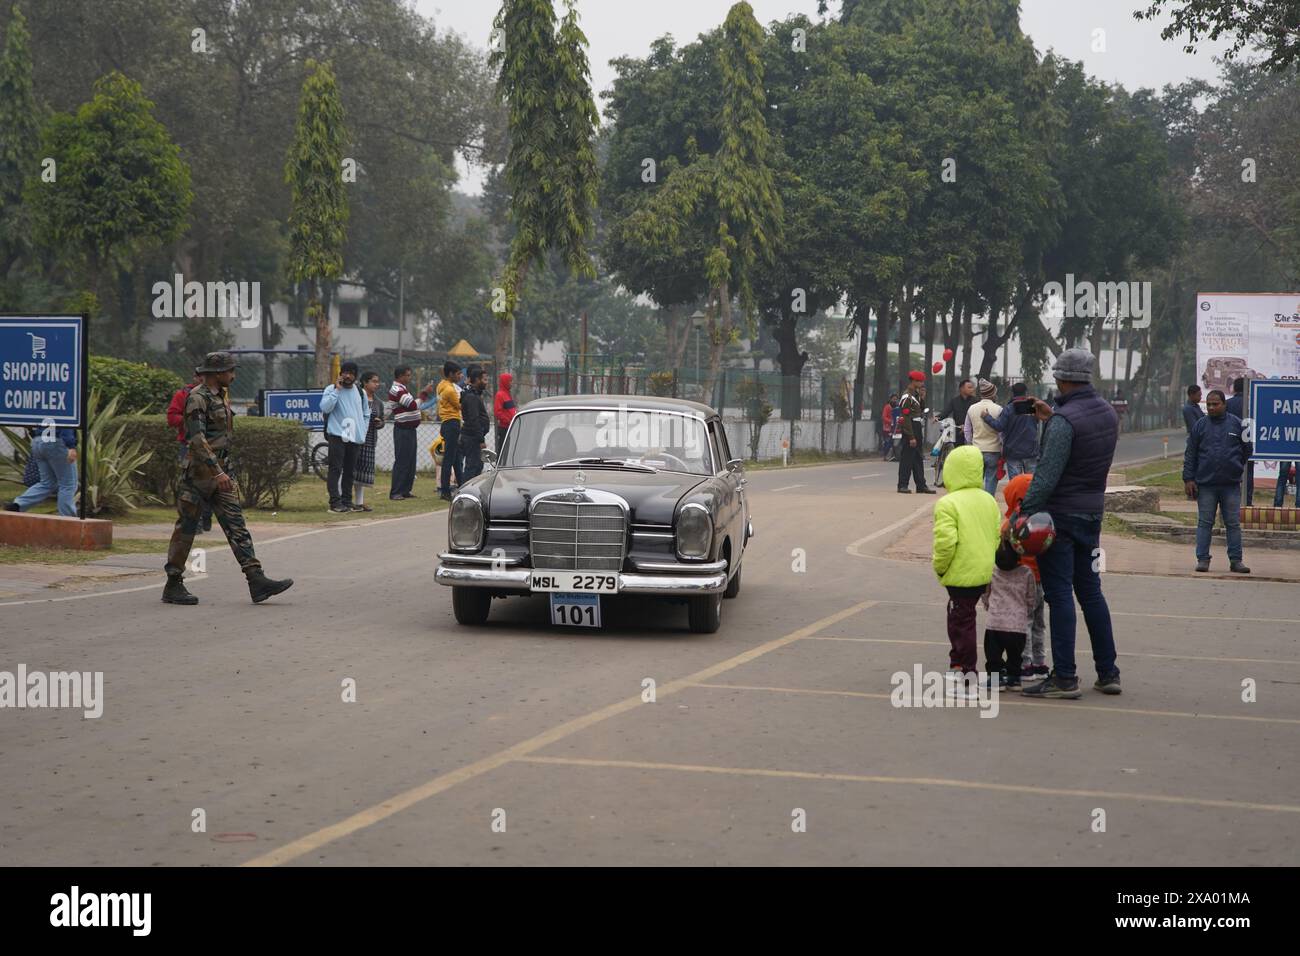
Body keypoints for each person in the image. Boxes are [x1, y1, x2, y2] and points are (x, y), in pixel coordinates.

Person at [1018, 348, 1120, 699]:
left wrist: (1024, 511)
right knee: (1091, 592)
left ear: (1061, 379)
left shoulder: (1064, 420)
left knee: (1060, 594)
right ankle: (1108, 672)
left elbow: (1046, 475)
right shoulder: (1107, 413)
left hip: (1059, 518)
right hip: (1092, 514)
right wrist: (1053, 418)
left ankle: (1065, 677)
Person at [161, 352, 292, 606]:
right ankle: (173, 583)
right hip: (199, 475)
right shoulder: (197, 398)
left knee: (236, 525)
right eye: (230, 370)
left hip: (221, 475)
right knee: (186, 529)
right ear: (217, 373)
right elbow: (196, 440)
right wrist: (217, 471)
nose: (233, 375)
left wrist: (226, 472)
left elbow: (222, 442)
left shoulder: (220, 396)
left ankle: (256, 579)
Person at [931, 444, 1002, 683]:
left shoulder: (948, 503)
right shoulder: (988, 500)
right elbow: (995, 535)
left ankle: (967, 672)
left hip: (959, 571)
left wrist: (940, 567)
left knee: (962, 621)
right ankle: (957, 661)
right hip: (982, 571)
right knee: (960, 615)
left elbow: (945, 543)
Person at [1183, 389, 1251, 574]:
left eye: (1215, 404)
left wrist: (1235, 465)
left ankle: (1236, 561)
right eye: (1209, 404)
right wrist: (1188, 478)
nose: (1211, 407)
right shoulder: (1199, 426)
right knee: (1205, 522)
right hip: (1206, 484)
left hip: (1230, 484)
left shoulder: (1239, 425)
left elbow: (1248, 449)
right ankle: (1203, 559)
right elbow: (1190, 454)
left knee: (1233, 523)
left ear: (1224, 404)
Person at [1000, 472, 1049, 678]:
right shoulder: (1043, 518)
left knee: (1025, 621)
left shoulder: (1015, 520)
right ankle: (1040, 661)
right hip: (1041, 578)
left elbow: (1003, 535)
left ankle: (1025, 662)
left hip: (1022, 578)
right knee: (1039, 622)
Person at [981, 541, 1039, 691]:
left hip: (995, 623)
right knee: (1015, 655)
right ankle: (1014, 679)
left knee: (993, 655)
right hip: (1018, 626)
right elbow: (1031, 597)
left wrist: (988, 605)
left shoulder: (992, 571)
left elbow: (985, 592)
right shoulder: (1026, 572)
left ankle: (996, 679)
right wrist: (1027, 612)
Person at [320, 361, 369, 514]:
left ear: (355, 375)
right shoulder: (331, 389)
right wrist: (336, 390)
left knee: (350, 470)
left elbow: (366, 414)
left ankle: (347, 501)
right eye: (345, 372)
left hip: (354, 435)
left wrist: (363, 430)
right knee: (335, 469)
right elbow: (325, 407)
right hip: (337, 434)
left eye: (351, 373)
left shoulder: (361, 392)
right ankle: (335, 502)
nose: (347, 376)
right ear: (340, 374)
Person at [167, 373, 212, 532]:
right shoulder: (183, 394)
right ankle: (194, 522)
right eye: (199, 376)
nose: (202, 379)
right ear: (195, 377)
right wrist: (191, 420)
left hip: (212, 447)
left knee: (211, 484)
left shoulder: (217, 395)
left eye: (205, 376)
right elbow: (172, 418)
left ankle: (206, 518)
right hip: (189, 446)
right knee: (192, 484)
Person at [5, 426, 78, 517]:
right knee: (68, 484)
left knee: (47, 483)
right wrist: (70, 445)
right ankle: (68, 518)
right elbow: (66, 424)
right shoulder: (64, 411)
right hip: (57, 441)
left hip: (38, 440)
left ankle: (18, 505)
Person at [983, 382, 1039, 479]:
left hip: (1013, 452)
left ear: (1012, 393)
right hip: (1030, 451)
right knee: (1031, 484)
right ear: (1026, 392)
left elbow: (999, 426)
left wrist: (987, 417)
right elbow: (1037, 422)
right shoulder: (1032, 407)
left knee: (1015, 484)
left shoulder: (1009, 409)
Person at [897, 371, 935, 494]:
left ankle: (921, 485)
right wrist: (911, 436)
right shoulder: (907, 397)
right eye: (920, 381)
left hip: (917, 426)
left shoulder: (916, 395)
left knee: (918, 458)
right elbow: (905, 418)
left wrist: (922, 398)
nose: (922, 383)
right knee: (907, 458)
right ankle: (902, 485)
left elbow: (921, 410)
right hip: (910, 427)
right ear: (913, 381)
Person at [964, 378, 1003, 496]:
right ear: (993, 394)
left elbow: (967, 430)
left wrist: (970, 444)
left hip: (977, 449)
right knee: (991, 479)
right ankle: (988, 503)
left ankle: (975, 503)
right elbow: (1002, 432)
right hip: (993, 450)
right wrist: (1002, 448)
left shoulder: (972, 408)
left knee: (976, 480)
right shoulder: (999, 409)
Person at [388, 366, 421, 500]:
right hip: (402, 430)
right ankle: (396, 491)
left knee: (410, 461)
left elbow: (413, 404)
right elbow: (412, 405)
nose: (409, 377)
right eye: (407, 375)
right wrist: (423, 395)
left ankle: (406, 490)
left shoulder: (404, 390)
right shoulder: (397, 390)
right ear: (400, 376)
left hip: (410, 430)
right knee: (402, 461)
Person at [352, 371, 384, 512]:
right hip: (355, 438)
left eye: (378, 382)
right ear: (365, 382)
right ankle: (342, 499)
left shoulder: (378, 402)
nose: (377, 384)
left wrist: (379, 423)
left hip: (370, 439)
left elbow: (382, 420)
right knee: (350, 470)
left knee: (362, 473)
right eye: (374, 381)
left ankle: (359, 502)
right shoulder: (357, 397)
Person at [433, 362, 465, 501]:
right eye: (458, 373)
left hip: (447, 423)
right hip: (452, 423)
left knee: (457, 458)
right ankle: (445, 491)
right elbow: (460, 405)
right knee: (449, 459)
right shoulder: (450, 390)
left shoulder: (441, 385)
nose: (460, 376)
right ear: (451, 374)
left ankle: (462, 487)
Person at [459, 365, 491, 482]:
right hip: (472, 437)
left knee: (477, 466)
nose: (486, 383)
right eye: (484, 380)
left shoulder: (474, 394)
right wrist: (481, 439)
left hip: (474, 436)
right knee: (472, 467)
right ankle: (465, 493)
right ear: (477, 380)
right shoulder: (471, 396)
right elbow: (474, 419)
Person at [1226, 377, 1253, 505]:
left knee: (1230, 473)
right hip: (1247, 441)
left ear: (1234, 388)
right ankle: (1247, 501)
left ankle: (1230, 501)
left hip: (1230, 443)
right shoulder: (1251, 402)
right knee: (1248, 473)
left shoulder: (1227, 403)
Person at [494, 372, 518, 448]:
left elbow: (510, 410)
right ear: (505, 382)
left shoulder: (507, 394)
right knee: (504, 449)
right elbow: (498, 412)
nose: (512, 383)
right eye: (510, 381)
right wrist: (509, 420)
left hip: (510, 426)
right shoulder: (500, 395)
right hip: (504, 428)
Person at [880, 395, 896, 461]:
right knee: (887, 442)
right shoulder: (887, 407)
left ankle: (893, 455)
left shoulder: (896, 407)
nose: (895, 401)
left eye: (896, 399)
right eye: (893, 399)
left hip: (895, 428)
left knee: (893, 442)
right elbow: (884, 417)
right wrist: (891, 421)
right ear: (890, 399)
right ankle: (885, 455)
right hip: (887, 428)